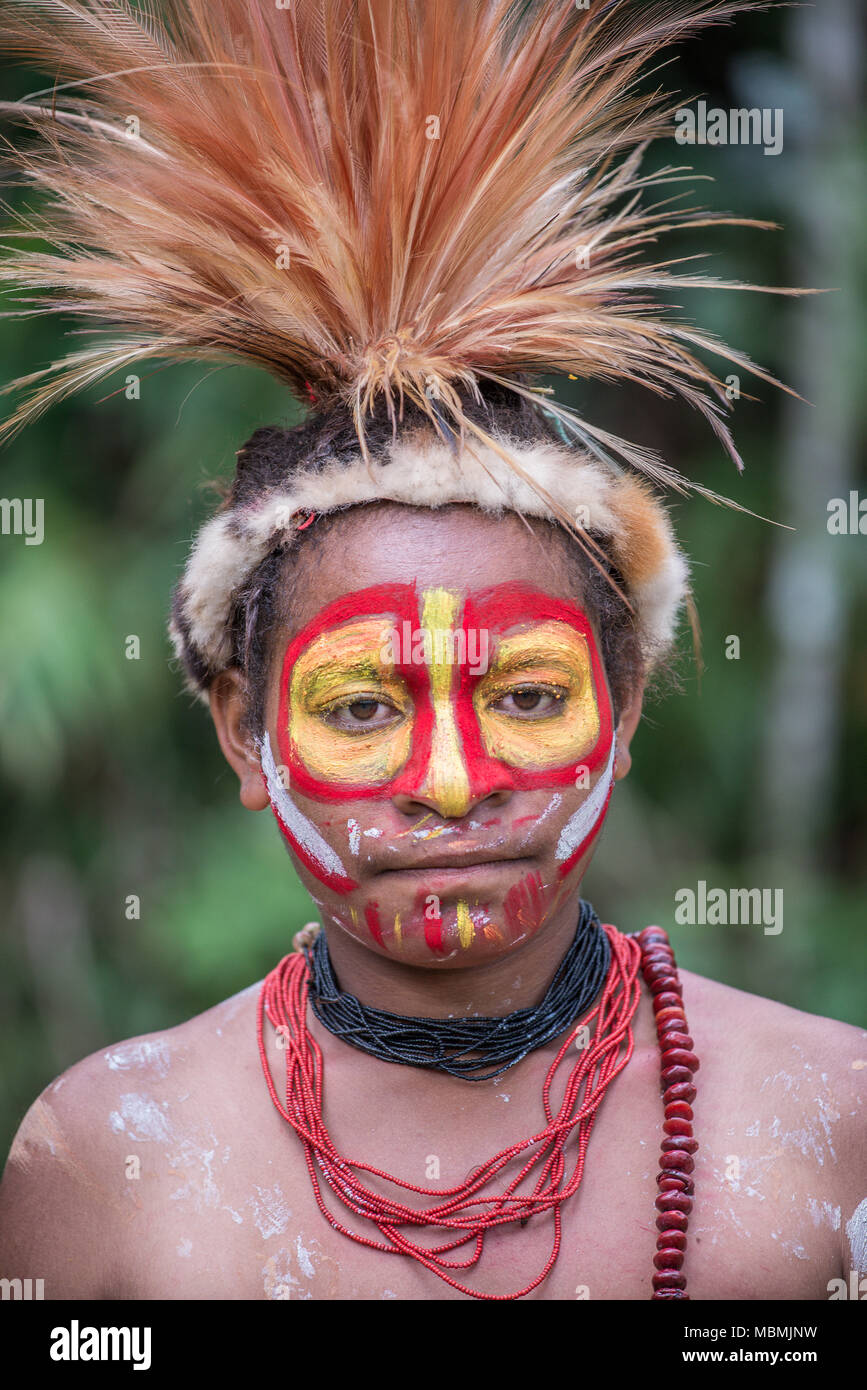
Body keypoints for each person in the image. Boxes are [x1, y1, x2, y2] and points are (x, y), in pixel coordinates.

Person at [0, 0, 863, 1302]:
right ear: (243, 730)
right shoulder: (108, 1163)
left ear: (623, 708)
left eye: (526, 693)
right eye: (362, 708)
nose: (453, 780)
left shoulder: (834, 1131)